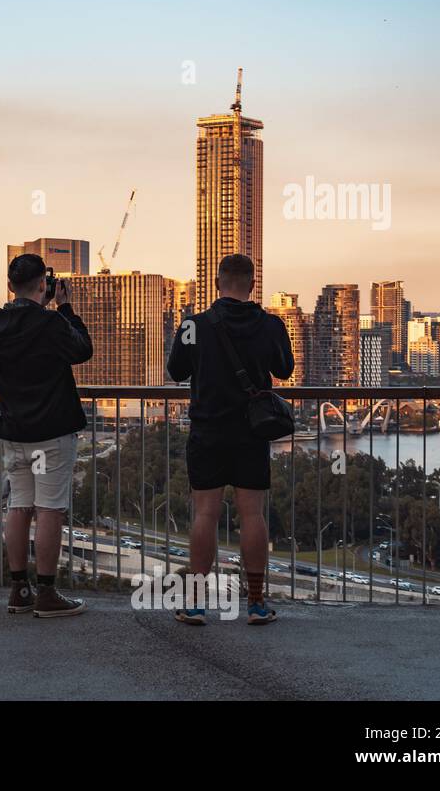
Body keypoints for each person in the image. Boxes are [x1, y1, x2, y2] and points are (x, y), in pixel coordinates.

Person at [166, 253, 294, 625]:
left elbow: (176, 372)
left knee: (205, 514)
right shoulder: (270, 324)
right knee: (252, 514)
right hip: (252, 433)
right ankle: (255, 603)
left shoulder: (194, 325)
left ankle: (195, 603)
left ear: (218, 284)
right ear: (252, 285)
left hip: (207, 431)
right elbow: (284, 370)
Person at [0, 254, 94, 618]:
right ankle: (46, 593)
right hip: (52, 431)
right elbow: (83, 350)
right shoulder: (51, 324)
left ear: (10, 285)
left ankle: (19, 589)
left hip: (14, 428)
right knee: (49, 510)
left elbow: (23, 322)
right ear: (44, 284)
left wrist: (43, 306)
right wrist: (66, 308)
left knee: (19, 507)